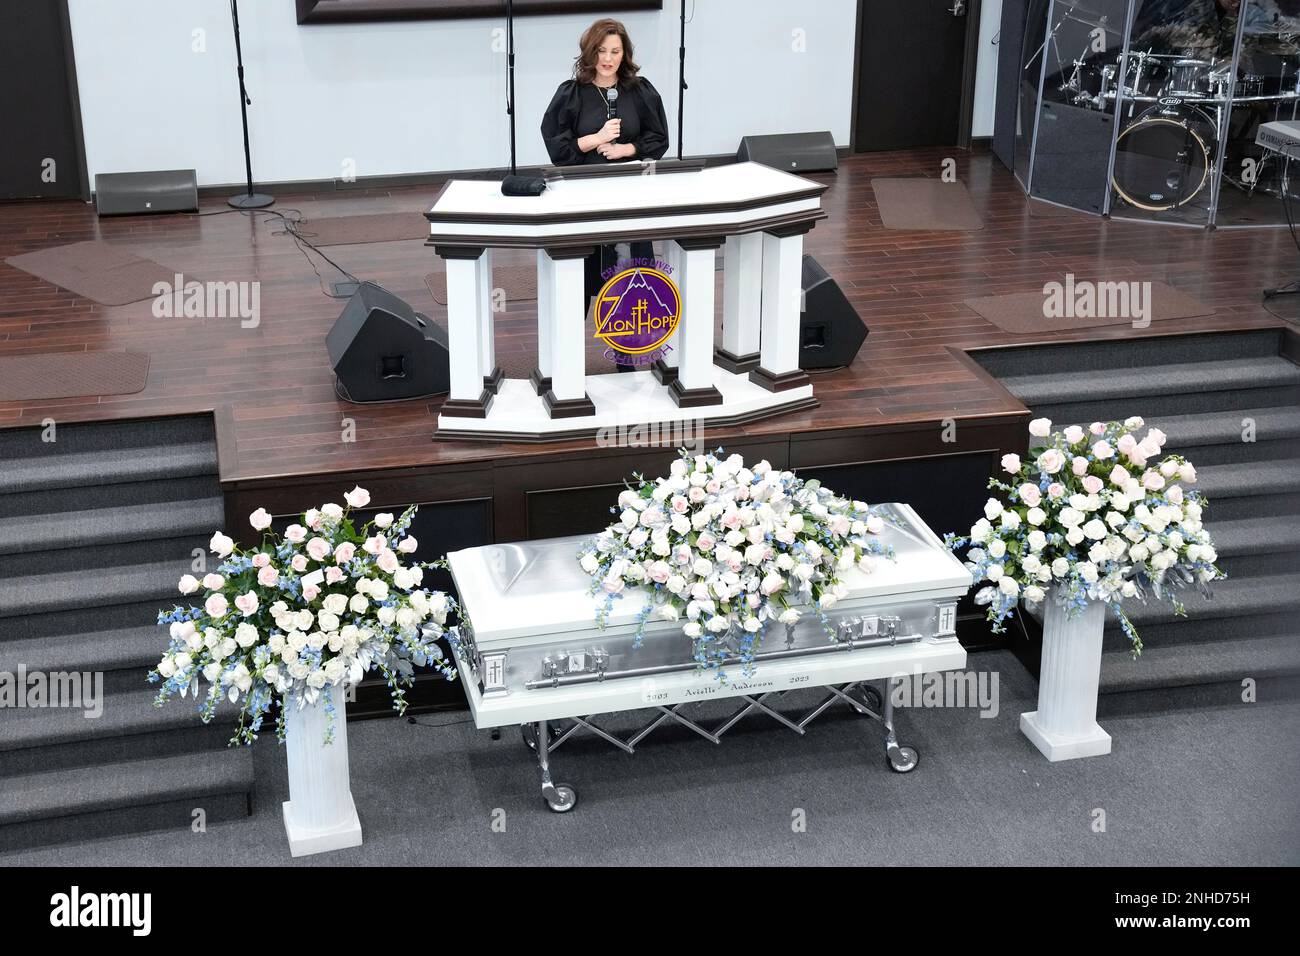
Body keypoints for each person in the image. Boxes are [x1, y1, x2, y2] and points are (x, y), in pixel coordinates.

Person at [541, 18, 670, 370]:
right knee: (578, 277)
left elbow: (659, 139)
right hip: (583, 199)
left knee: (628, 277)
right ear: (590, 53)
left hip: (627, 198)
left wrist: (627, 149)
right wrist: (597, 139)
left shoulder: (640, 91)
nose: (608, 58)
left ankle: (626, 359)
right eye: (601, 51)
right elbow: (559, 149)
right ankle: (564, 365)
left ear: (625, 53)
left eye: (615, 51)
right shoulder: (571, 93)